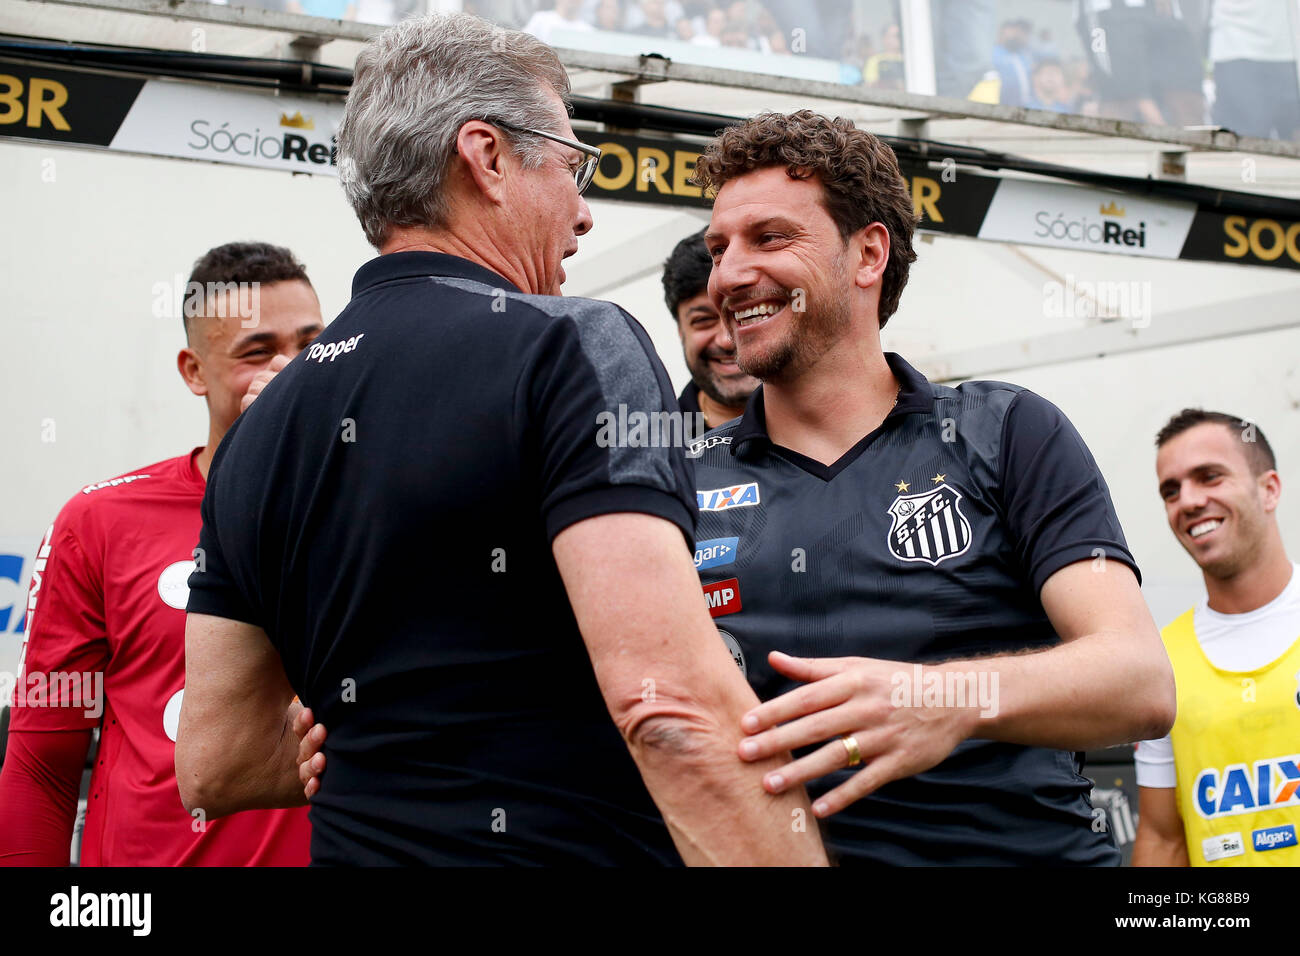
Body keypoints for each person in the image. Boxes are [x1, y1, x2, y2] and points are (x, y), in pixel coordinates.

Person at [176, 13, 826, 867]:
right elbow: (667, 707)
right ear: (485, 157)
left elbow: (214, 764)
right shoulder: (571, 344)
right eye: (571, 166)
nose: (584, 213)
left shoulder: (264, 425)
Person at [688, 110, 1175, 865]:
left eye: (769, 238)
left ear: (868, 254)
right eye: (719, 248)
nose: (728, 274)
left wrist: (939, 700)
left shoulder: (1006, 428)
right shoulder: (680, 482)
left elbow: (1139, 682)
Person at [0, 241, 321, 866]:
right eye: (257, 352)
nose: (291, 370)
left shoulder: (382, 506)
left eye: (312, 346)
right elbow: (43, 763)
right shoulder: (98, 522)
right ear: (194, 371)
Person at [1133, 410, 1300, 866]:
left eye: (1209, 477)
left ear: (1269, 489)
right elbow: (1163, 839)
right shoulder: (1161, 663)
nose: (1187, 500)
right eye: (1171, 490)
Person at [662, 228, 758, 429]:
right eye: (703, 320)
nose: (726, 339)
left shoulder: (834, 422)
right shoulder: (656, 448)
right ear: (681, 331)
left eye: (744, 313)